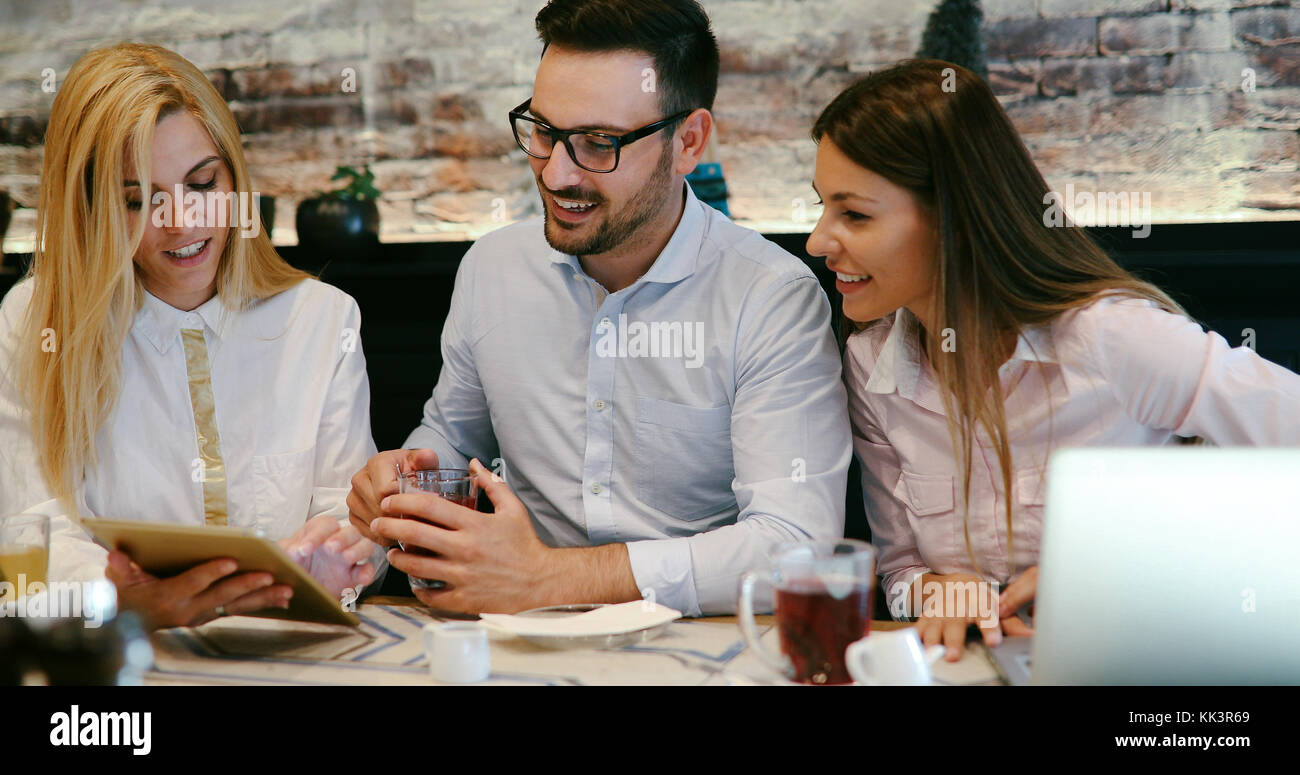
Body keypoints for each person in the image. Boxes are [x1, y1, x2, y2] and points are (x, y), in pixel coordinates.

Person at [346, 0, 850, 616]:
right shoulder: (493, 269)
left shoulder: (770, 297)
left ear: (687, 142)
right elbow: (454, 437)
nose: (557, 173)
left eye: (598, 143)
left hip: (693, 646)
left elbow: (796, 547)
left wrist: (550, 577)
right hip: (513, 635)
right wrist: (407, 477)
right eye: (543, 131)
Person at [807, 59, 1300, 660]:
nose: (817, 241)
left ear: (956, 222)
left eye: (853, 214)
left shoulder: (1113, 337)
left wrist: (1114, 570)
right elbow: (901, 569)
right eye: (823, 207)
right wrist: (938, 591)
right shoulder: (871, 363)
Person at [0, 43, 383, 629]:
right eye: (139, 200)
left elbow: (351, 515)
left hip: (288, 650)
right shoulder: (33, 323)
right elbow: (30, 532)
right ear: (88, 207)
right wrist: (121, 602)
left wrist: (343, 561)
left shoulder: (323, 320)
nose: (182, 222)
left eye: (202, 183)